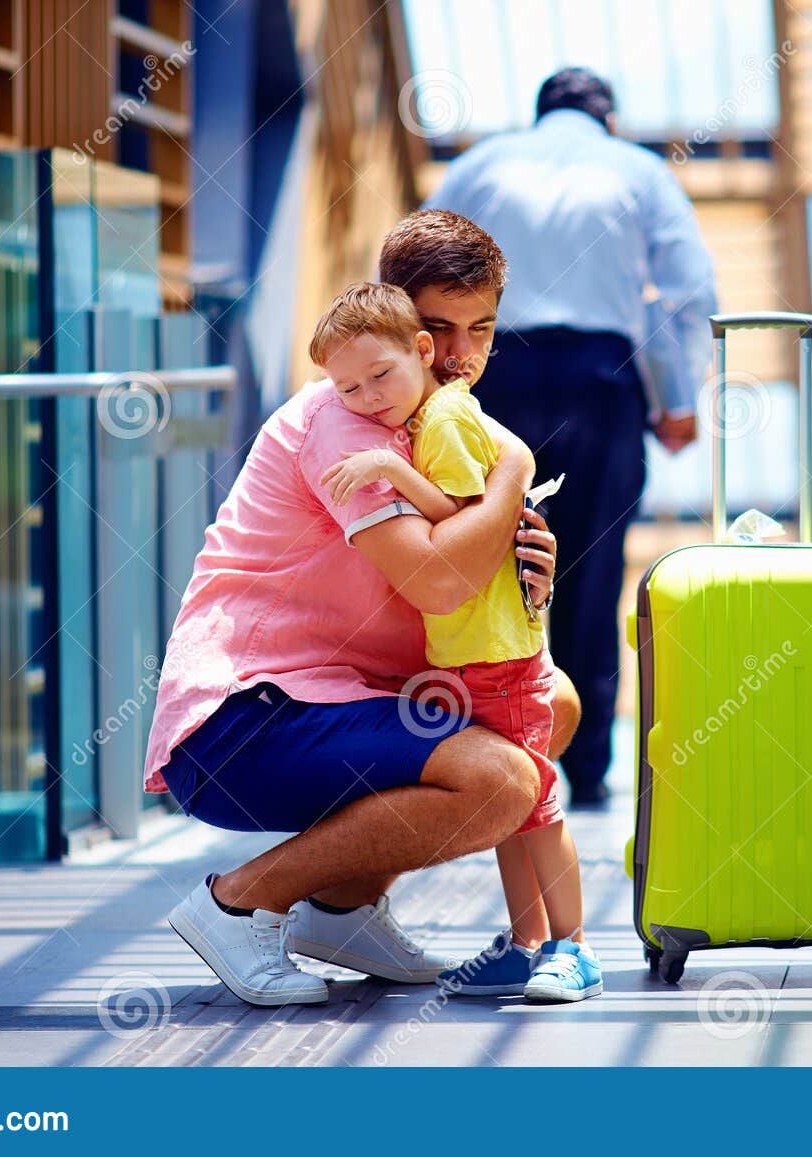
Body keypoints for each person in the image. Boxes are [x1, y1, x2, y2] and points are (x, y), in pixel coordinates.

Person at [143, 215, 578, 1007]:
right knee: (503, 779)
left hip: (338, 695)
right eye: (438, 328)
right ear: (391, 315)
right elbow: (439, 584)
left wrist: (525, 580)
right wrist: (514, 472)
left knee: (555, 706)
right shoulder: (351, 421)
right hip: (243, 717)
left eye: (480, 329)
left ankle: (342, 910)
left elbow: (465, 609)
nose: (459, 355)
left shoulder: (433, 421)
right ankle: (236, 901)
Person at [424, 67, 718, 804]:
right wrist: (677, 399)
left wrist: (423, 387)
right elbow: (685, 290)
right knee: (590, 569)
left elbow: (410, 267)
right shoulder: (641, 171)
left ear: (538, 112)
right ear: (609, 119)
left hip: (494, 375)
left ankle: (477, 753)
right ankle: (580, 767)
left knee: (477, 563)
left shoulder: (479, 165)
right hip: (600, 379)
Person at [314, 281, 602, 1002]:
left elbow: (464, 524)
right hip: (474, 652)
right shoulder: (426, 416)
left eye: (381, 376)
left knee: (534, 808)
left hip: (500, 655)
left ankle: (574, 946)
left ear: (418, 352)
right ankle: (527, 940)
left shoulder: (439, 421)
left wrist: (388, 469)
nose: (369, 396)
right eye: (348, 388)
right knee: (512, 810)